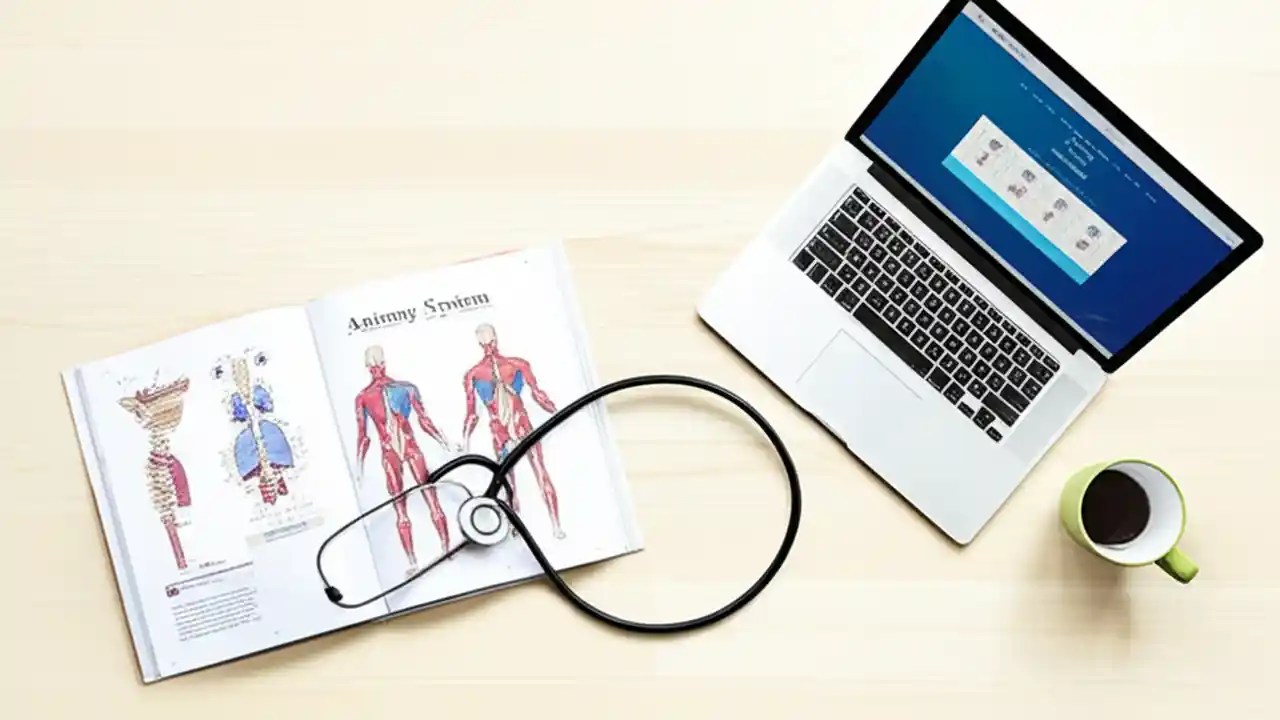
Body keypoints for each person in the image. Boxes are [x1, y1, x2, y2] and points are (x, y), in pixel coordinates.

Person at [355, 345, 453, 572]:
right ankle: (413, 560)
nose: (376, 369)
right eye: (373, 365)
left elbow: (423, 420)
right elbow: (364, 437)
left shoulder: (403, 389)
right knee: (401, 508)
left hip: (405, 447)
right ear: (369, 367)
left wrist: (442, 441)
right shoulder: (365, 397)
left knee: (430, 498)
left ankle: (445, 549)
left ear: (381, 364)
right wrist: (359, 468)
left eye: (377, 364)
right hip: (392, 452)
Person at [461, 323, 564, 538]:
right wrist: (557, 412)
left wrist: (465, 441)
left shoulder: (476, 373)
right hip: (513, 427)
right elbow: (538, 395)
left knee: (518, 481)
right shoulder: (514, 365)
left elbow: (472, 414)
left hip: (508, 428)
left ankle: (539, 527)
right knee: (527, 477)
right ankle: (552, 527)